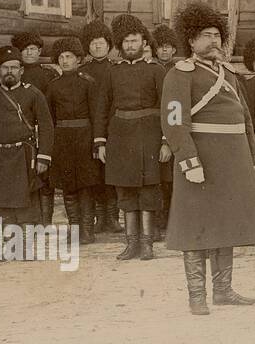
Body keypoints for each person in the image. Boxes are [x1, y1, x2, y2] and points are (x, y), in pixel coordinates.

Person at [162, 0, 255, 314]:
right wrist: (188, 159)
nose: (214, 41)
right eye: (206, 35)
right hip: (202, 162)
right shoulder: (181, 74)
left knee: (226, 225)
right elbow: (173, 121)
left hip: (232, 162)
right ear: (191, 40)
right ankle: (197, 297)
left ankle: (223, 291)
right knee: (196, 227)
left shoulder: (228, 73)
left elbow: (245, 119)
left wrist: (253, 157)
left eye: (217, 35)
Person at [96, 14, 169, 262]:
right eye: (125, 41)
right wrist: (101, 141)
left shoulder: (157, 70)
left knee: (148, 190)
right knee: (125, 191)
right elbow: (102, 108)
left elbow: (168, 108)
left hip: (149, 136)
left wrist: (166, 141)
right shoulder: (111, 72)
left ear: (144, 42)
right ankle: (131, 244)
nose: (129, 45)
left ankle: (148, 244)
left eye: (134, 40)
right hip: (120, 137)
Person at [0, 45, 54, 258]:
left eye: (14, 67)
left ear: (21, 70)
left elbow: (46, 126)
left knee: (26, 202)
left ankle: (26, 248)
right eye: (5, 67)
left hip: (24, 156)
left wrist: (43, 157)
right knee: (3, 205)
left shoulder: (33, 94)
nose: (9, 71)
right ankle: (11, 247)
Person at [44, 37, 103, 245]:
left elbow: (97, 114)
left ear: (78, 59)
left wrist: (97, 142)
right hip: (62, 141)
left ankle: (88, 230)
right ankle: (75, 228)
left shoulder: (88, 83)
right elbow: (49, 118)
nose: (65, 61)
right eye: (61, 57)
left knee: (86, 185)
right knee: (68, 186)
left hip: (84, 138)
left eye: (69, 56)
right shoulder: (52, 86)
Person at [11, 31, 57, 223]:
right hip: (22, 134)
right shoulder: (14, 75)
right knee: (24, 175)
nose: (29, 53)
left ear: (39, 51)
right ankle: (29, 219)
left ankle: (46, 220)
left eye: (33, 49)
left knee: (45, 176)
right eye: (25, 50)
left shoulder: (49, 74)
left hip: (45, 129)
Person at [80, 19, 119, 235]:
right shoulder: (82, 71)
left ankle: (112, 217)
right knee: (93, 174)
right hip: (88, 129)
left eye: (101, 43)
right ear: (87, 46)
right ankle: (98, 217)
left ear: (109, 45)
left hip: (111, 128)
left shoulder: (115, 69)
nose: (97, 46)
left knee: (110, 172)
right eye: (93, 43)